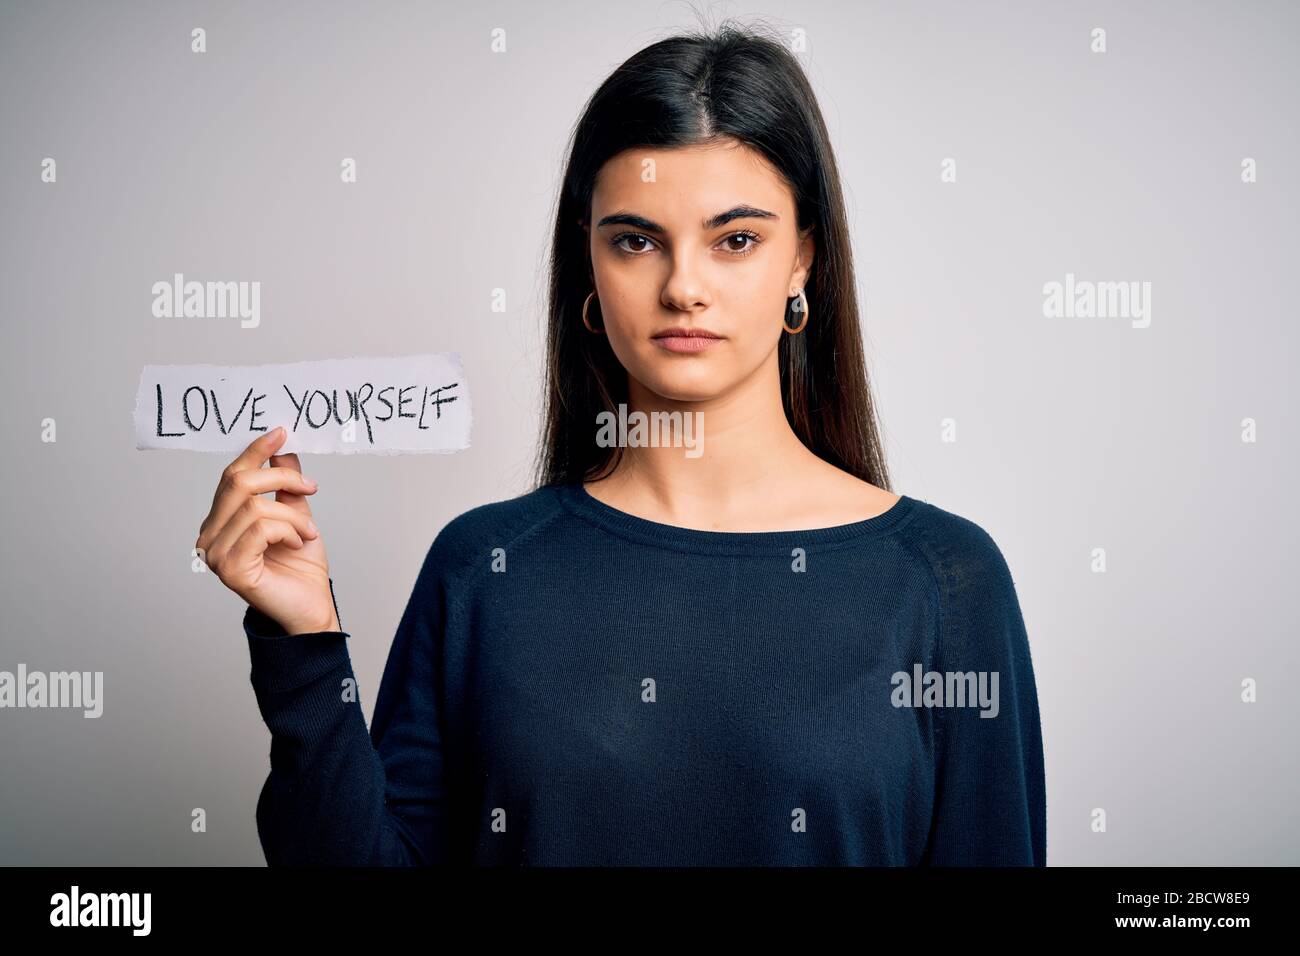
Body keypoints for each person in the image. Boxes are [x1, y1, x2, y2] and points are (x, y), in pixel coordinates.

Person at [195, 22, 1046, 866]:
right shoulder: (483, 568)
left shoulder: (945, 583)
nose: (683, 287)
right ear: (591, 265)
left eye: (736, 240)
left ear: (803, 263)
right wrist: (304, 647)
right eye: (636, 241)